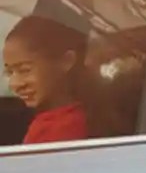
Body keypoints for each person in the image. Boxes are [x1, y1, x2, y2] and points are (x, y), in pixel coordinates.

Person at [3, 15, 92, 145]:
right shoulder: (53, 118)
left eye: (25, 70)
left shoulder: (63, 129)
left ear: (66, 61)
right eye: (9, 72)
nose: (14, 84)